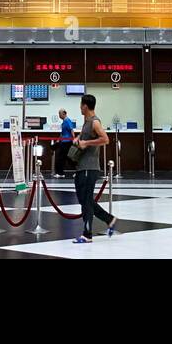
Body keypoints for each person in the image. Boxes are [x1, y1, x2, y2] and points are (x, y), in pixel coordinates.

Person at [68, 94, 118, 243]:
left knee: (86, 201)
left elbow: (106, 139)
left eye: (80, 104)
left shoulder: (95, 122)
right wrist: (79, 140)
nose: (79, 107)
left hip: (90, 167)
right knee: (85, 199)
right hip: (82, 166)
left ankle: (87, 234)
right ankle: (109, 219)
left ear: (85, 106)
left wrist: (86, 143)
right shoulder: (86, 122)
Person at [54, 108, 75, 177]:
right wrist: (58, 139)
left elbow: (72, 131)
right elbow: (62, 133)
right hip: (63, 142)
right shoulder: (64, 122)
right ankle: (60, 172)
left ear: (64, 113)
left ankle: (60, 173)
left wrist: (73, 140)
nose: (59, 115)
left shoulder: (67, 121)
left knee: (64, 157)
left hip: (67, 142)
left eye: (60, 114)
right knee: (64, 158)